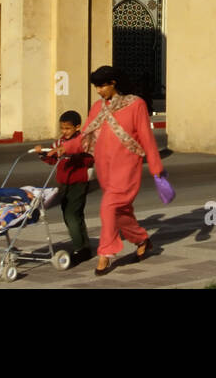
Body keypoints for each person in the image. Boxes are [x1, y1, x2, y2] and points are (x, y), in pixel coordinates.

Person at [56, 65, 164, 276]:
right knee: (120, 213)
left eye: (102, 86)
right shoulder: (97, 107)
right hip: (105, 170)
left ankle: (105, 254)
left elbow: (147, 139)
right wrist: (63, 148)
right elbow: (85, 137)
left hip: (127, 168)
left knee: (108, 207)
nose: (98, 90)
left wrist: (156, 169)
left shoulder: (136, 104)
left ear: (114, 83)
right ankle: (142, 239)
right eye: (96, 86)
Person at [33, 110, 95, 266]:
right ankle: (84, 245)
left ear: (77, 127)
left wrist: (74, 155)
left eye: (68, 128)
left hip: (78, 183)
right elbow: (52, 159)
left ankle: (79, 248)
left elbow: (89, 159)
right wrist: (42, 154)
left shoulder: (82, 142)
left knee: (71, 214)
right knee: (73, 214)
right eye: (62, 128)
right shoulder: (58, 143)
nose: (64, 132)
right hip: (63, 184)